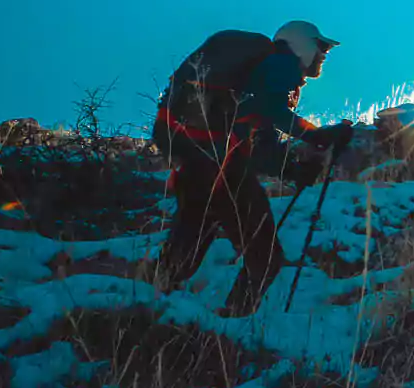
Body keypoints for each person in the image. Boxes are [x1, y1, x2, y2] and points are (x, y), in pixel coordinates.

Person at [152, 21, 354, 316]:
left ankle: (147, 308)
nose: (324, 54)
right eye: (320, 46)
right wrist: (317, 135)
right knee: (265, 258)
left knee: (183, 253)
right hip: (220, 166)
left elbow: (261, 147)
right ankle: (232, 326)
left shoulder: (251, 78)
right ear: (301, 44)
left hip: (197, 162)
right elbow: (272, 110)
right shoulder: (280, 63)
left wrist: (293, 171)